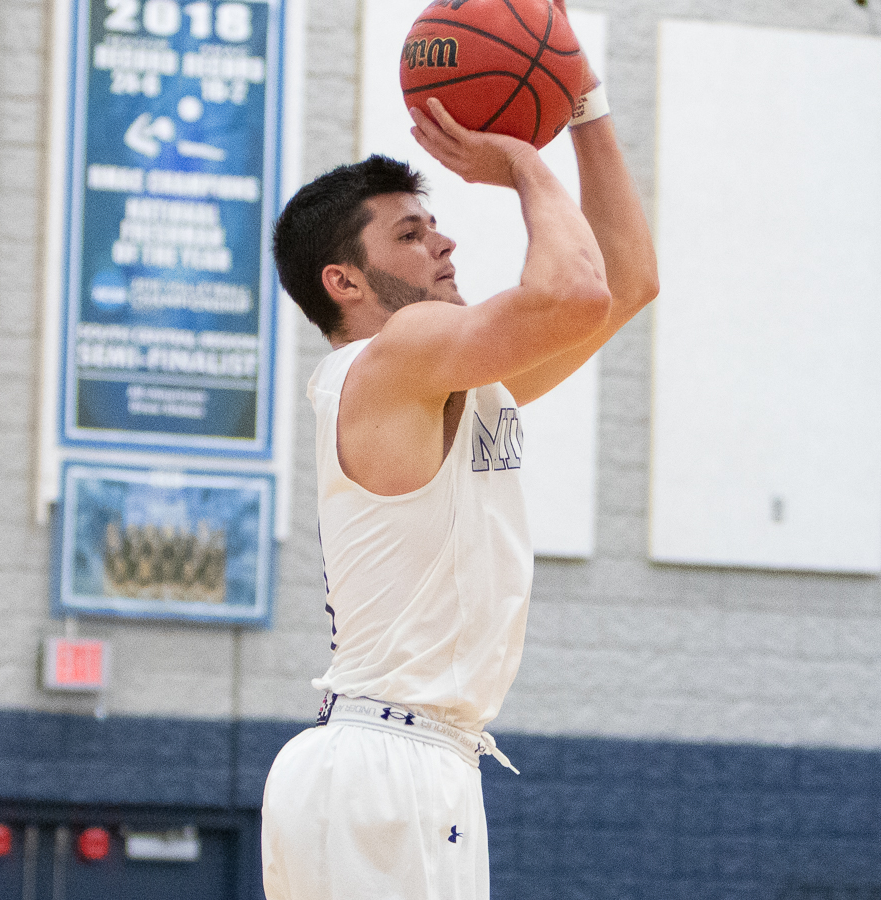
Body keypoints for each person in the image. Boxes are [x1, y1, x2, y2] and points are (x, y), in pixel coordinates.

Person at [259, 3, 658, 896]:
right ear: (344, 281)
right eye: (408, 232)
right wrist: (520, 161)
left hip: (411, 760)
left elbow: (626, 284)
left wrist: (583, 102)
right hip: (382, 763)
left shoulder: (449, 380)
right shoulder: (393, 356)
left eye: (431, 222)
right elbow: (571, 287)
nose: (440, 238)